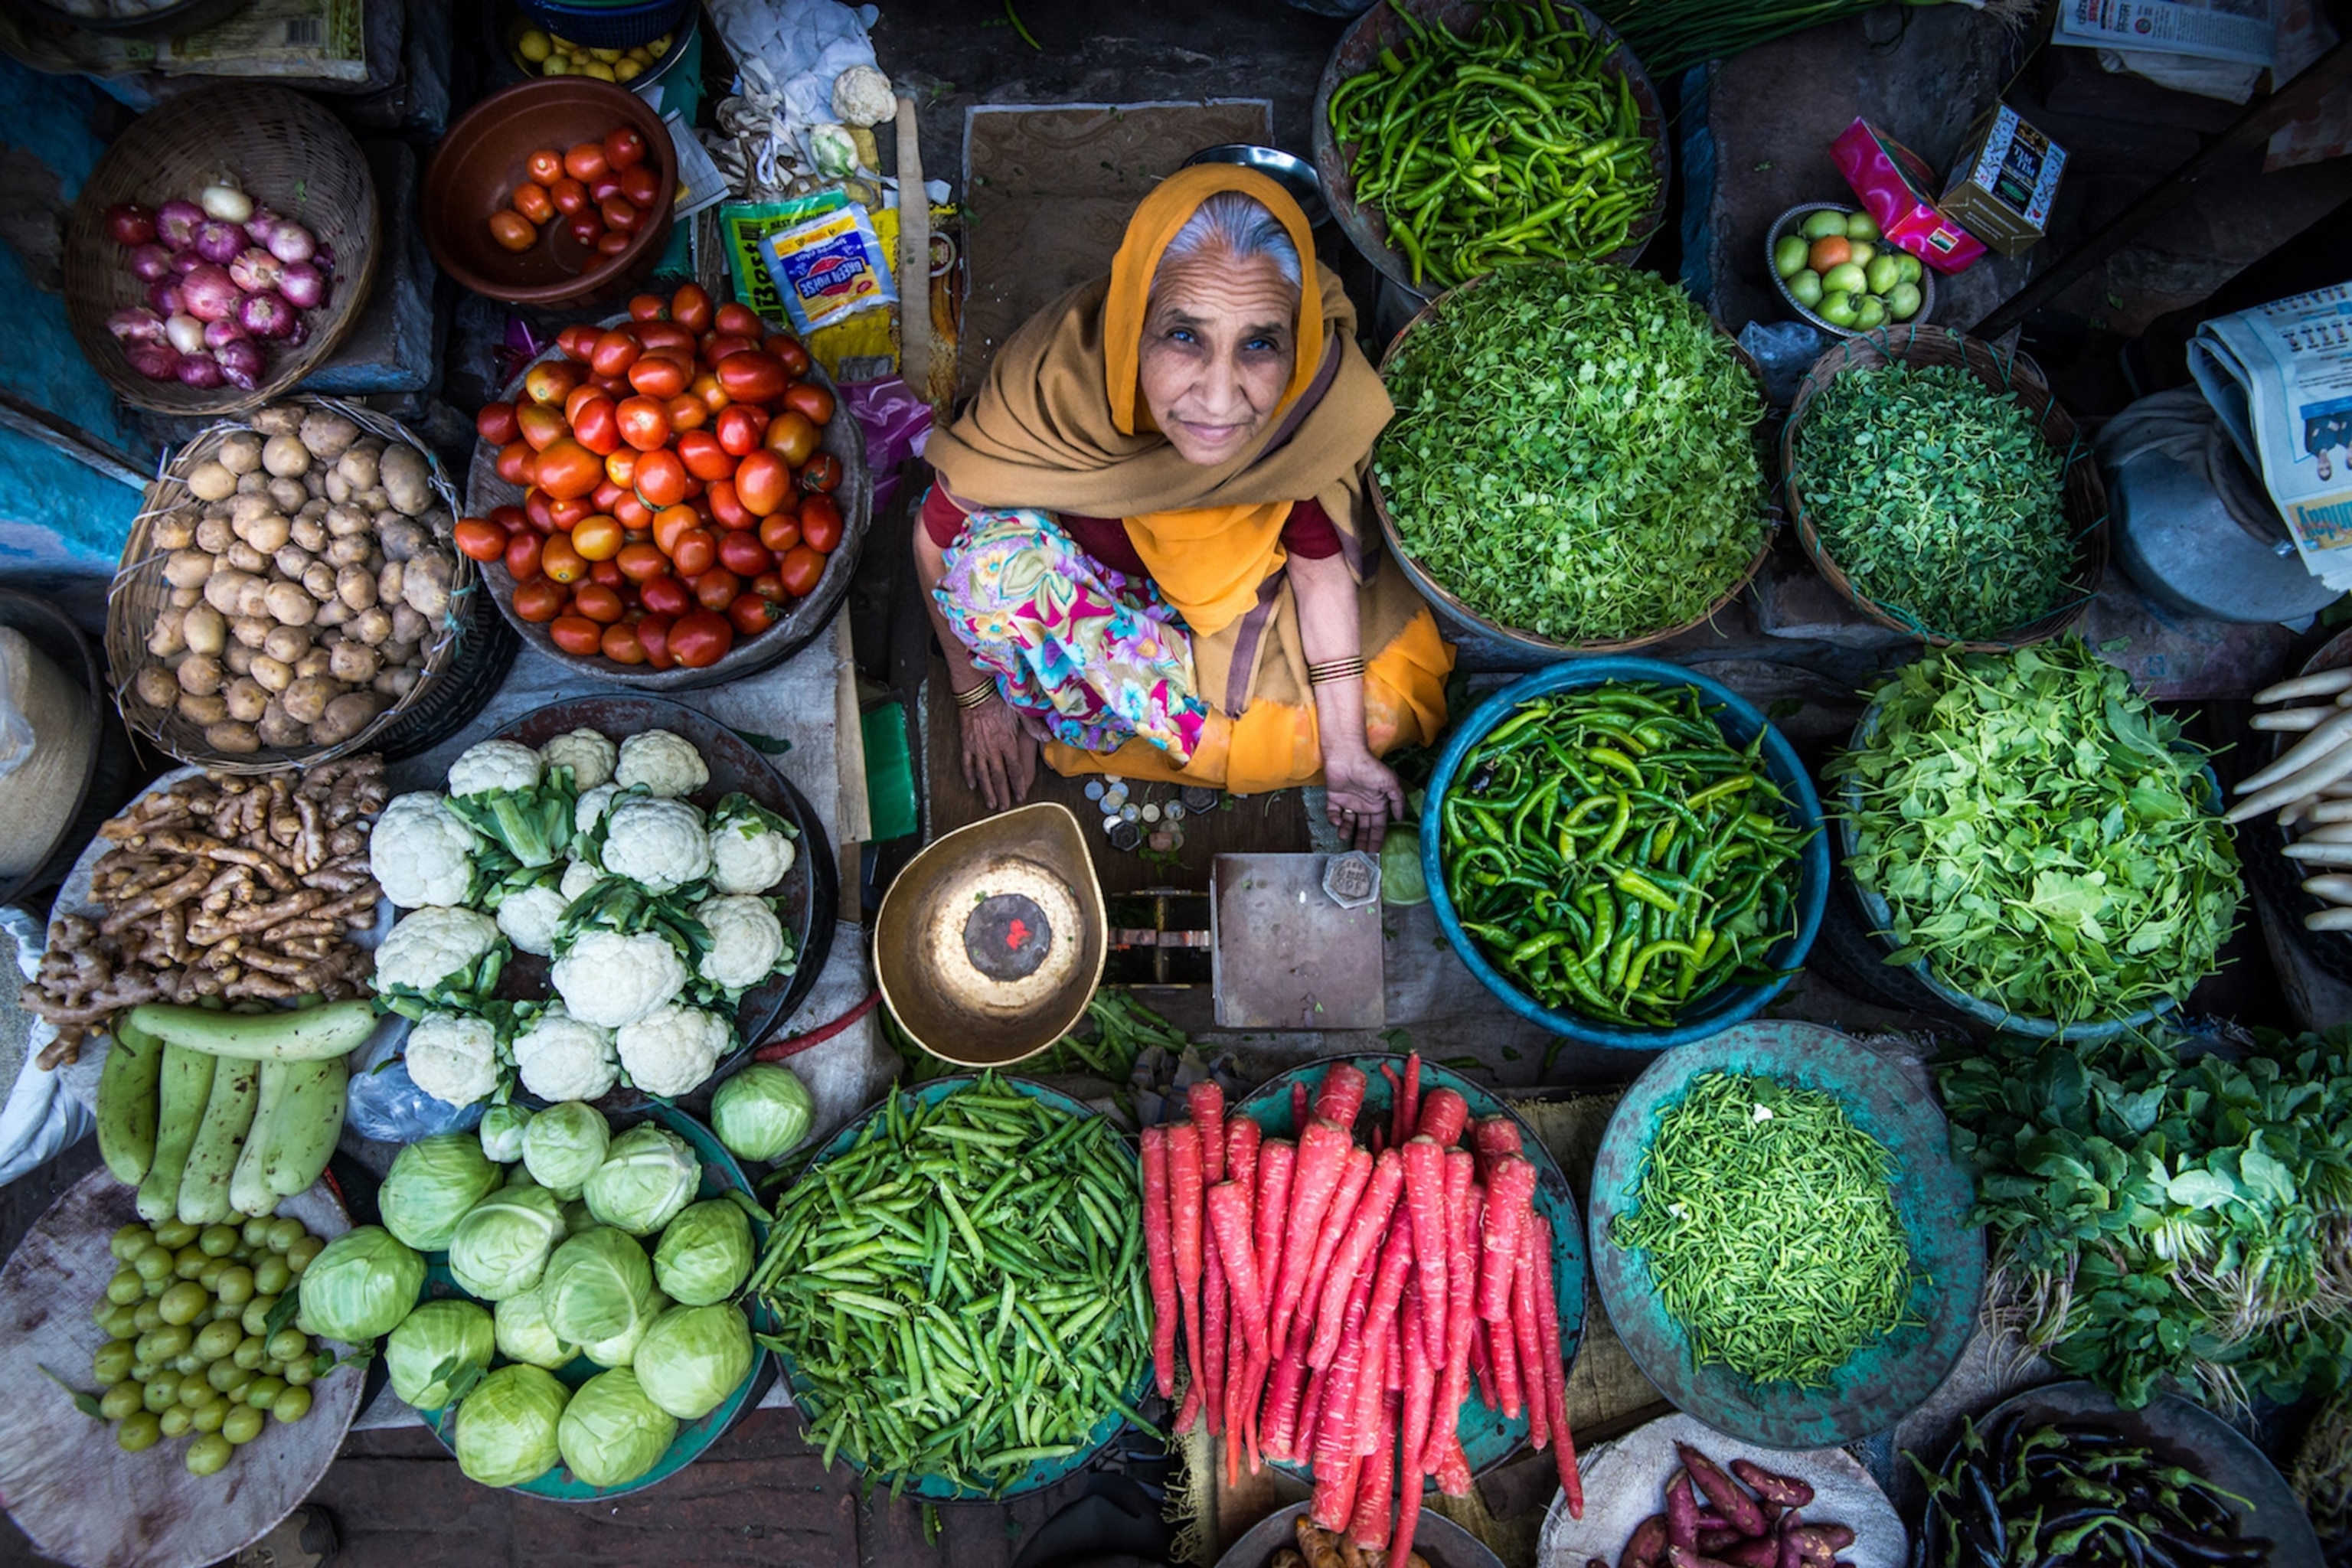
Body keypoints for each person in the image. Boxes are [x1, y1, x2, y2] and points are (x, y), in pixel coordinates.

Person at [916, 165, 1453, 851]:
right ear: (1133, 323)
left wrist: (1346, 752)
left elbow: (1318, 566)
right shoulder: (1051, 388)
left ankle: (1143, 715)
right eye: (1183, 337)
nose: (1222, 402)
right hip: (1082, 584)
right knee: (987, 573)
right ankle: (1109, 707)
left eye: (1260, 343)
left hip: (1228, 600)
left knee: (1370, 723)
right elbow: (933, 537)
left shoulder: (1305, 396)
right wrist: (976, 701)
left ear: (1297, 336)